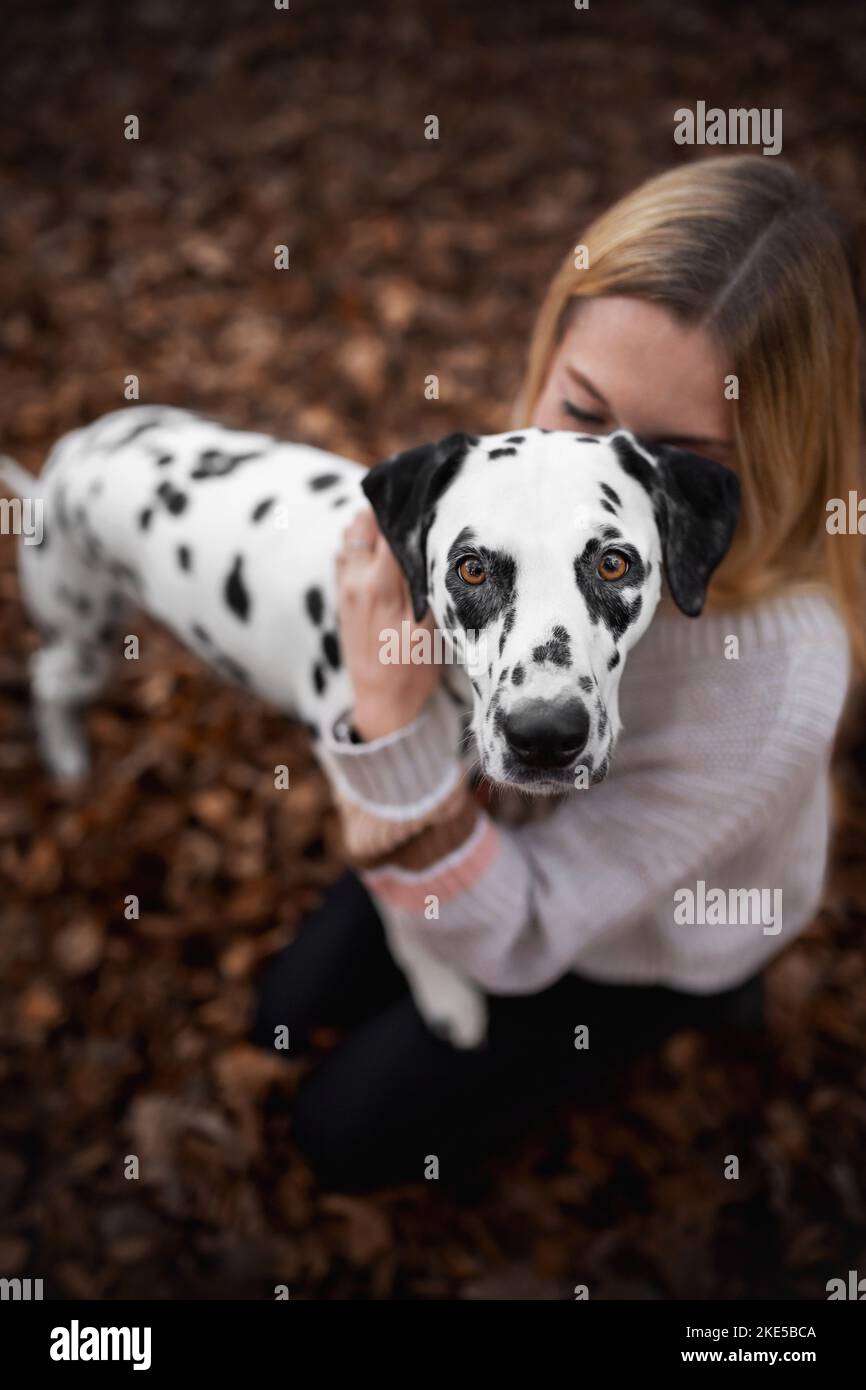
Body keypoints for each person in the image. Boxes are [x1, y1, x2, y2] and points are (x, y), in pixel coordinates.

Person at [252, 155, 862, 1192]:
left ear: (777, 459)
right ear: (549, 355)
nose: (598, 475)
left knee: (336, 1135)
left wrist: (391, 728)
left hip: (626, 933)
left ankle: (704, 998)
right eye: (580, 409)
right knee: (273, 1010)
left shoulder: (773, 680)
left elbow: (522, 936)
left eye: (676, 455)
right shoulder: (512, 490)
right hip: (497, 824)